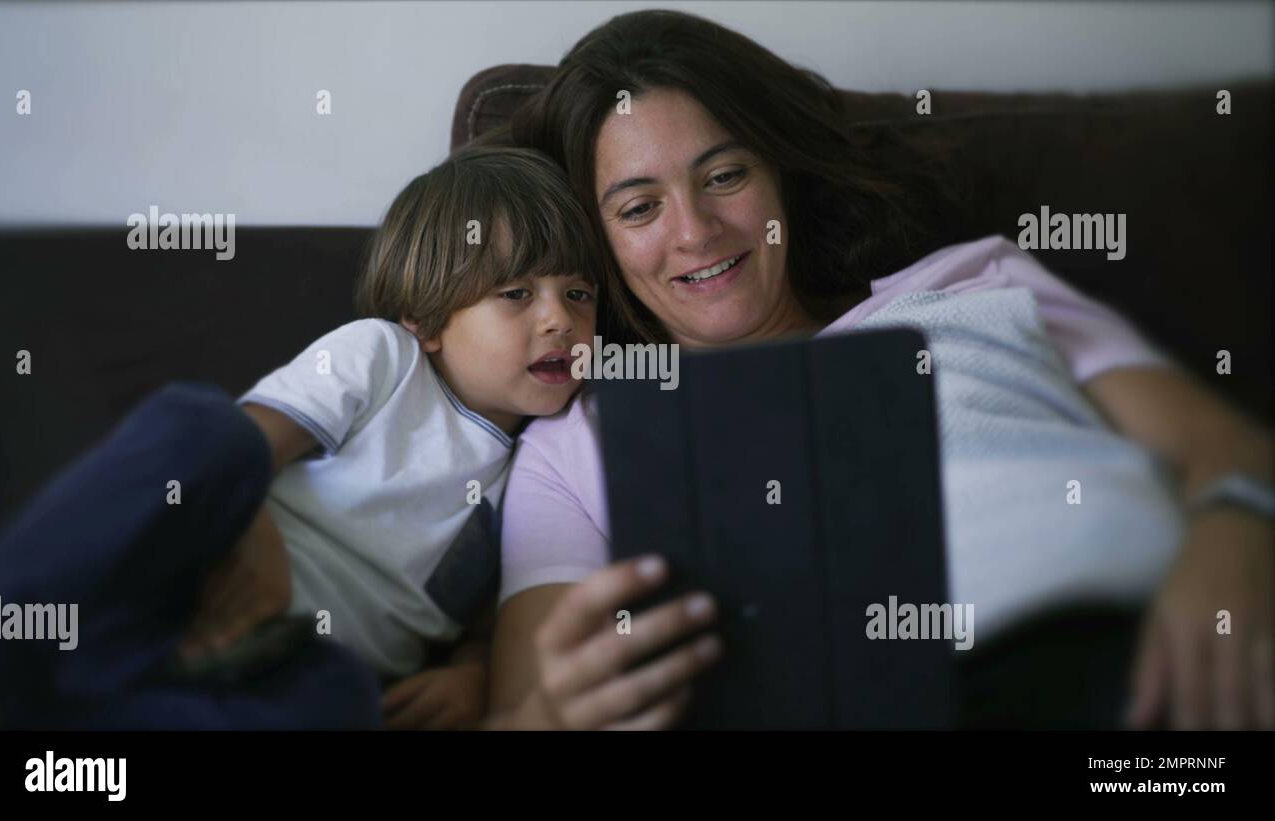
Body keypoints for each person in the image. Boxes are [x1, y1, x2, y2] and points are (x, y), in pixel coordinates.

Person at [481, 9, 1275, 730]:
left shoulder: (976, 282)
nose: (696, 231)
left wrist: (1234, 525)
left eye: (725, 176)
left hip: (1150, 682)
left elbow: (1226, 449)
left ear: (781, 175)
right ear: (598, 240)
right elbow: (524, 708)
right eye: (639, 207)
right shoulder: (579, 436)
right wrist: (558, 709)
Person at [0, 144, 618, 730]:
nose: (559, 319)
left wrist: (474, 674)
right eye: (515, 293)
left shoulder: (550, 459)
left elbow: (502, 612)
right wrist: (252, 541)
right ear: (425, 318)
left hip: (282, 665)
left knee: (343, 698)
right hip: (202, 572)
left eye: (580, 293)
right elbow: (248, 442)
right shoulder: (386, 358)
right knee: (200, 423)